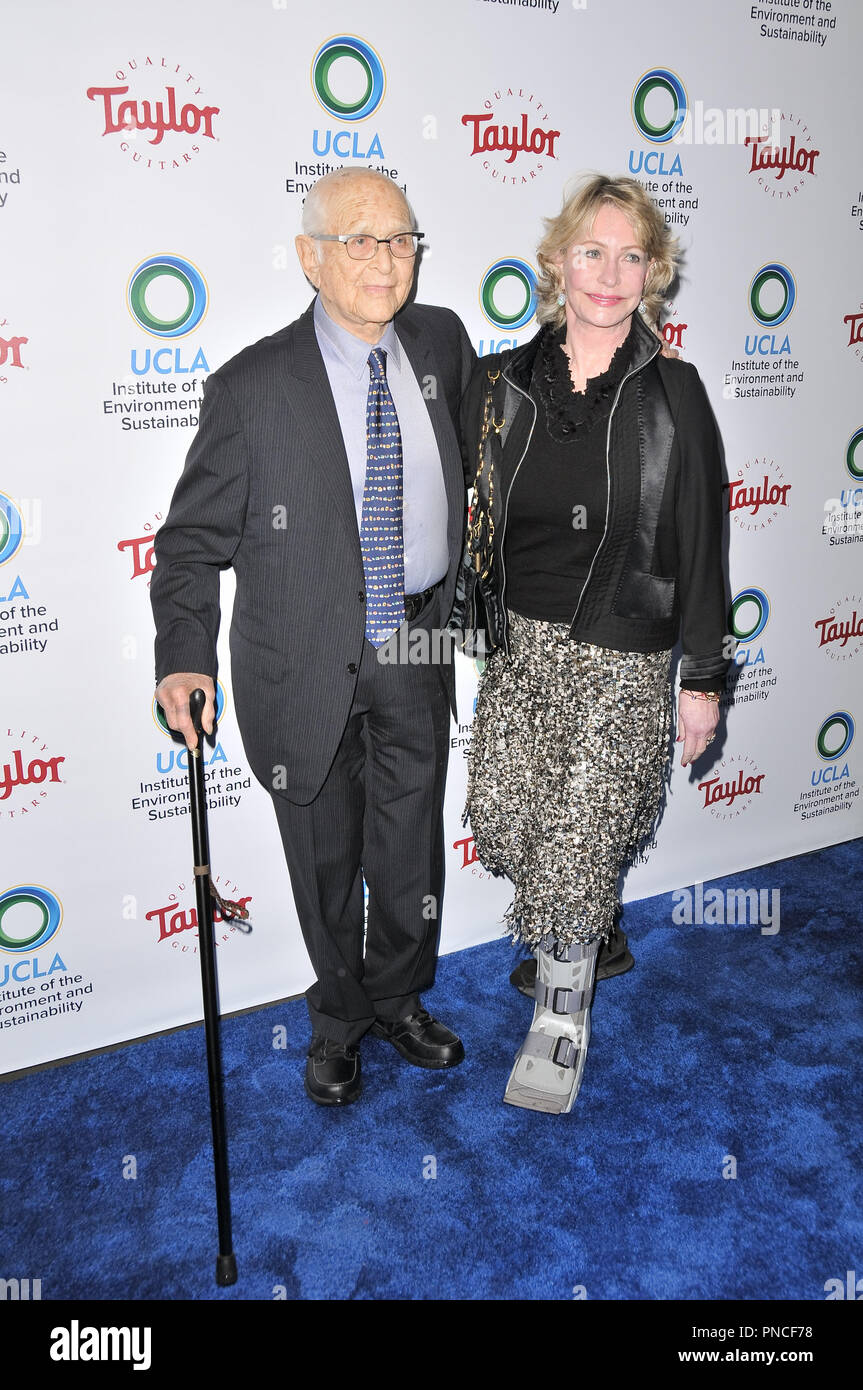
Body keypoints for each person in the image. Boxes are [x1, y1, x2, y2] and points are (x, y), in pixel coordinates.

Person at [150, 168, 476, 1107]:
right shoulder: (250, 390)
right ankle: (338, 1019)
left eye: (402, 239)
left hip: (415, 640)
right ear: (310, 257)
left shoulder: (441, 343)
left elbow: (478, 461)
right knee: (326, 858)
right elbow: (188, 547)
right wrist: (182, 654)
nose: (386, 259)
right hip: (302, 662)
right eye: (361, 240)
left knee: (408, 847)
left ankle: (400, 998)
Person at [460, 173, 728, 1115]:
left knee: (573, 851)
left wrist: (701, 677)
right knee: (502, 823)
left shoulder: (673, 393)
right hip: (519, 648)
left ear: (651, 273)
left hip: (622, 649)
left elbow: (701, 540)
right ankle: (592, 924)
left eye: (629, 256)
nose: (608, 274)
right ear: (556, 263)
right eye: (590, 252)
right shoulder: (497, 385)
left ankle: (559, 1018)